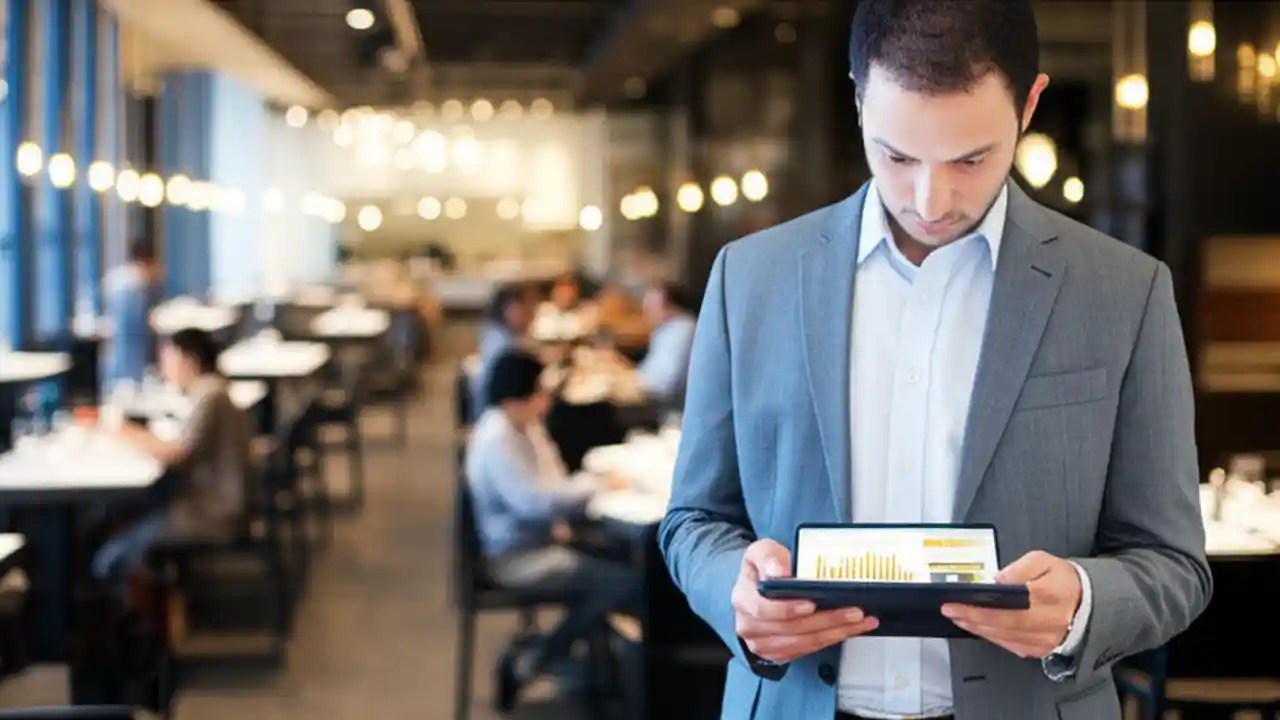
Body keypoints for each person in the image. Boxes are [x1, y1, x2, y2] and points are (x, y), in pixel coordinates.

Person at [658, 2, 1211, 719]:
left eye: (971, 159)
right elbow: (694, 519)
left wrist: (1082, 604)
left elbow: (1174, 564)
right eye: (895, 156)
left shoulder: (1125, 292)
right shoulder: (750, 279)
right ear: (858, 96)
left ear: (1031, 103)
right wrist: (735, 587)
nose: (931, 199)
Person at [465, 350, 639, 713]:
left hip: (543, 538)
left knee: (613, 564)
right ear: (517, 396)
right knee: (621, 582)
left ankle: (593, 672)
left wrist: (586, 487)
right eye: (539, 391)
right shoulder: (498, 438)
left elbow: (554, 477)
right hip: (516, 557)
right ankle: (533, 660)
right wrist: (596, 486)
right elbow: (535, 503)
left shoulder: (523, 424)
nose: (546, 399)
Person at [93, 329, 251, 595]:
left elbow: (178, 453)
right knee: (131, 514)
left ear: (189, 360)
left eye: (168, 360)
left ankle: (126, 613)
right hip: (211, 501)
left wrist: (123, 431)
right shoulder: (213, 391)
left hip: (213, 511)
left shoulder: (210, 396)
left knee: (112, 553)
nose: (163, 369)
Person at [102, 238, 160, 387]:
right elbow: (136, 329)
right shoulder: (134, 287)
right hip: (128, 361)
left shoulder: (116, 281)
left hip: (115, 360)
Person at [472, 283, 534, 417]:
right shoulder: (502, 343)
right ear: (507, 310)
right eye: (525, 308)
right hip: (495, 408)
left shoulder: (498, 331)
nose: (531, 314)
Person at [635, 282, 697, 405]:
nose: (647, 315)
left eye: (651, 308)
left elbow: (662, 386)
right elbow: (648, 373)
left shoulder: (683, 330)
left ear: (670, 307)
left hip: (670, 410)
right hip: (656, 401)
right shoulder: (664, 329)